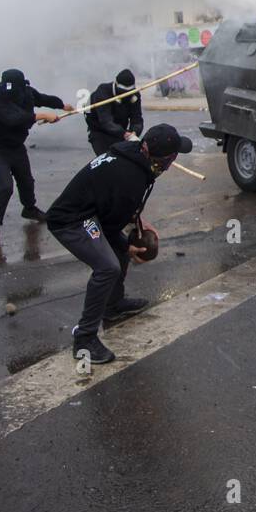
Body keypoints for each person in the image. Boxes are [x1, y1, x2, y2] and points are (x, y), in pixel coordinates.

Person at [46, 124, 192, 364]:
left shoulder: (134, 152)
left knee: (117, 254)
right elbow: (110, 225)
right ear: (164, 160)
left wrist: (139, 222)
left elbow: (117, 207)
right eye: (174, 157)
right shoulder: (130, 178)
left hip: (90, 212)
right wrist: (128, 246)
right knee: (107, 267)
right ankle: (84, 338)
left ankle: (113, 305)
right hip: (71, 220)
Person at [0, 69, 73, 248]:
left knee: (26, 181)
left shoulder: (26, 93)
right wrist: (44, 115)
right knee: (5, 187)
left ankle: (29, 209)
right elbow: (14, 119)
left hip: (15, 147)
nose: (10, 92)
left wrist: (62, 105)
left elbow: (42, 98)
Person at [86, 69, 145, 156]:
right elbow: (106, 121)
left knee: (125, 159)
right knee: (106, 159)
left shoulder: (134, 95)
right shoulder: (103, 92)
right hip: (100, 132)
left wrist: (134, 132)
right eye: (124, 92)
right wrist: (123, 133)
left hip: (121, 132)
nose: (126, 95)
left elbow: (137, 118)